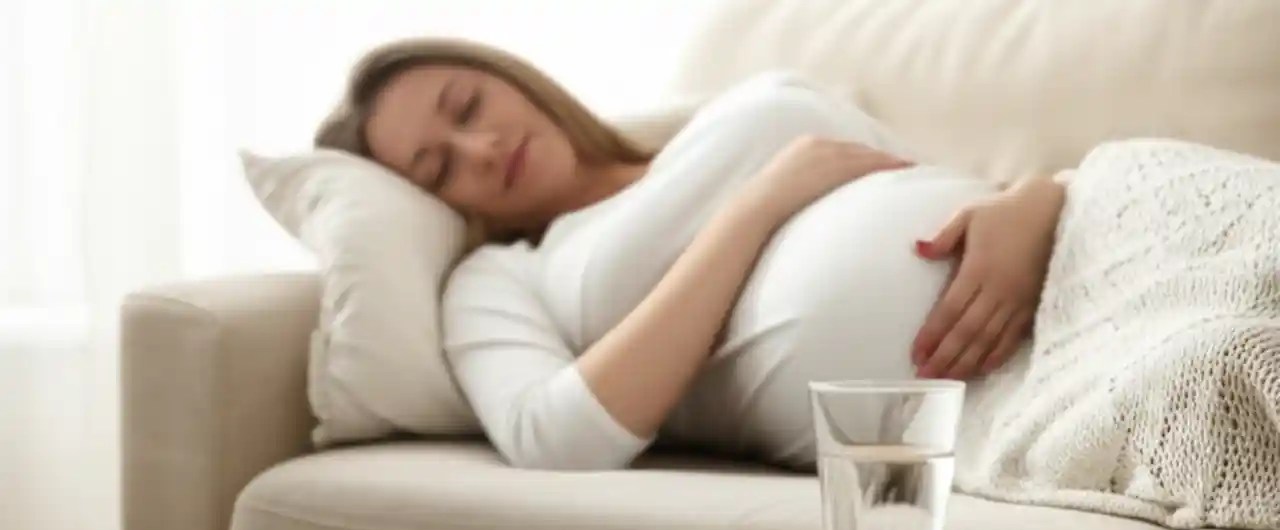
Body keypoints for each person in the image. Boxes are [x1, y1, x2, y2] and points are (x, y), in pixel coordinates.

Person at [316, 38, 1064, 471]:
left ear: (507, 77)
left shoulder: (739, 110)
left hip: (1072, 260)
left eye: (468, 107)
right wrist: (754, 208)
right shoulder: (502, 277)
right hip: (987, 402)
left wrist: (1030, 208)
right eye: (438, 167)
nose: (480, 149)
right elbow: (555, 439)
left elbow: (957, 190)